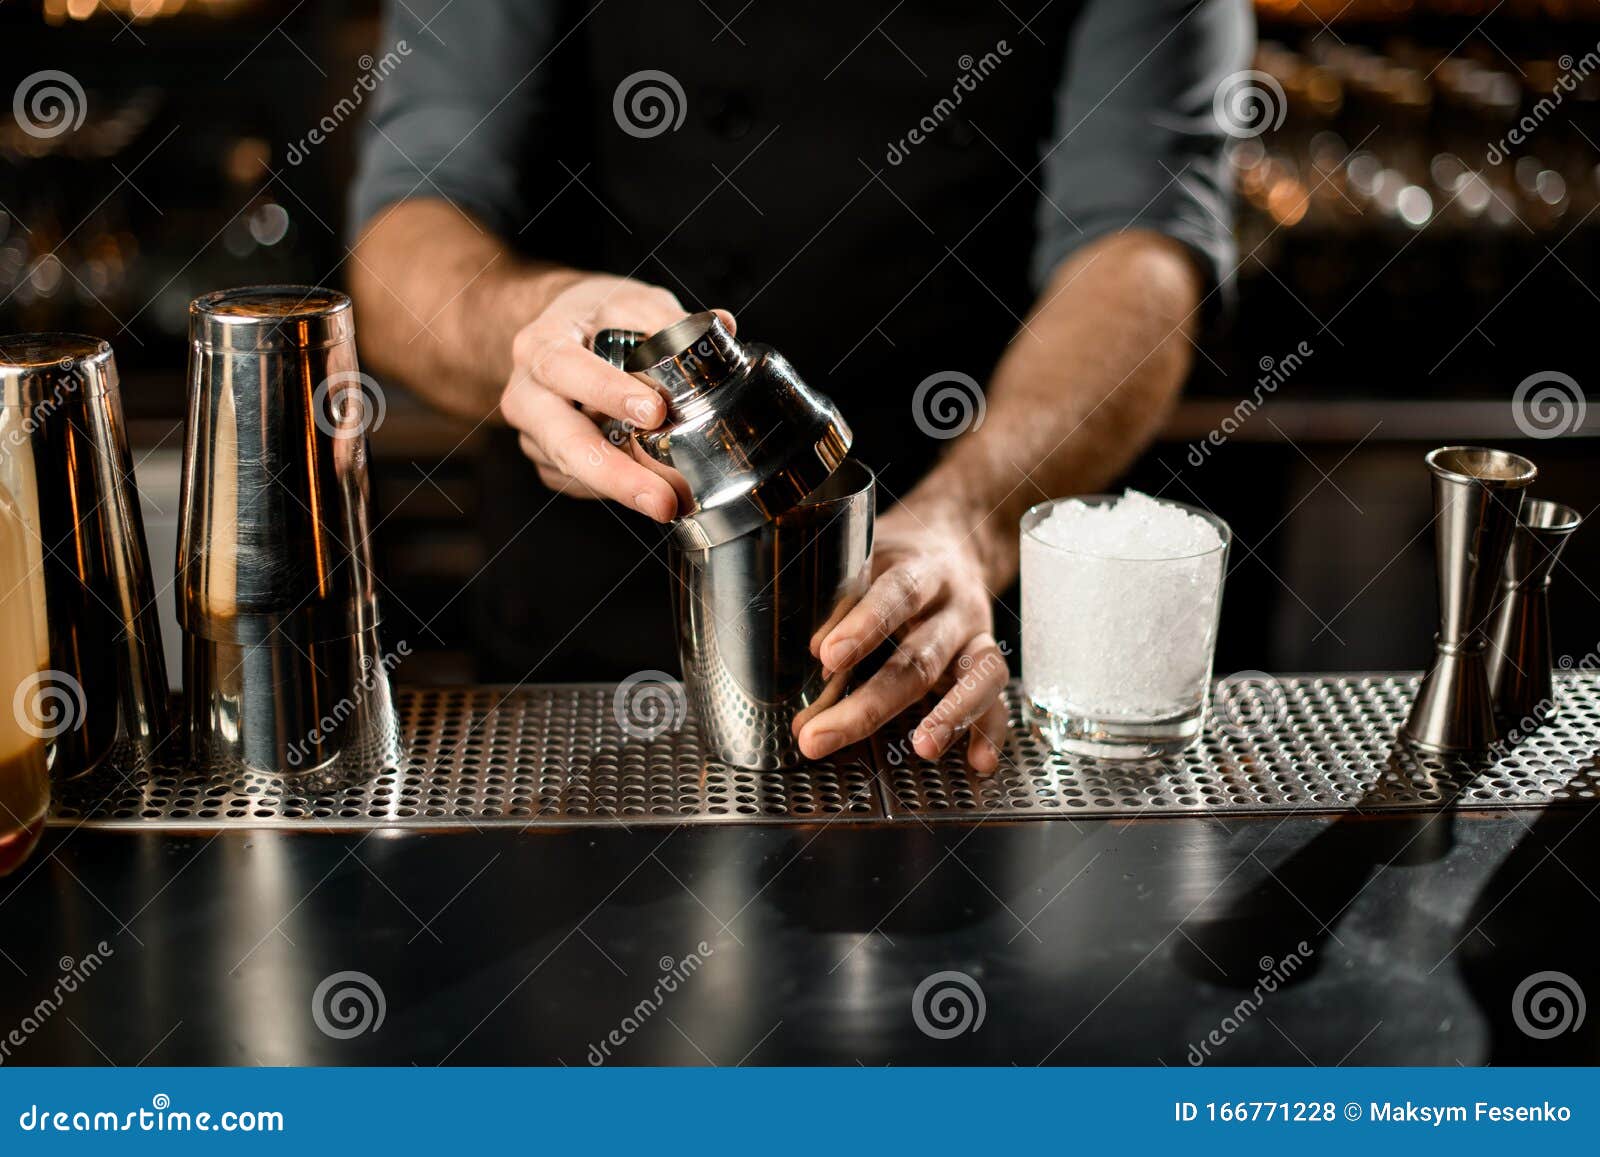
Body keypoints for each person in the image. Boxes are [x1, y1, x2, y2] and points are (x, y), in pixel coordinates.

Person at [347, 0, 1251, 773]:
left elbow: (1140, 248)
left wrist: (970, 521)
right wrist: (536, 322)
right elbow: (404, 235)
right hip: (587, 643)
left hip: (945, 618)